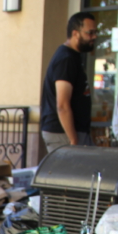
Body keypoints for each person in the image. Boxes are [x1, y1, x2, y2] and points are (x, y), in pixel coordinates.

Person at [40, 12, 97, 152]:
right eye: (90, 33)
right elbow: (62, 105)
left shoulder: (73, 57)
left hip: (71, 133)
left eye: (95, 32)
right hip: (63, 133)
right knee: (72, 174)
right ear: (75, 33)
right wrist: (73, 139)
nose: (94, 37)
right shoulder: (66, 59)